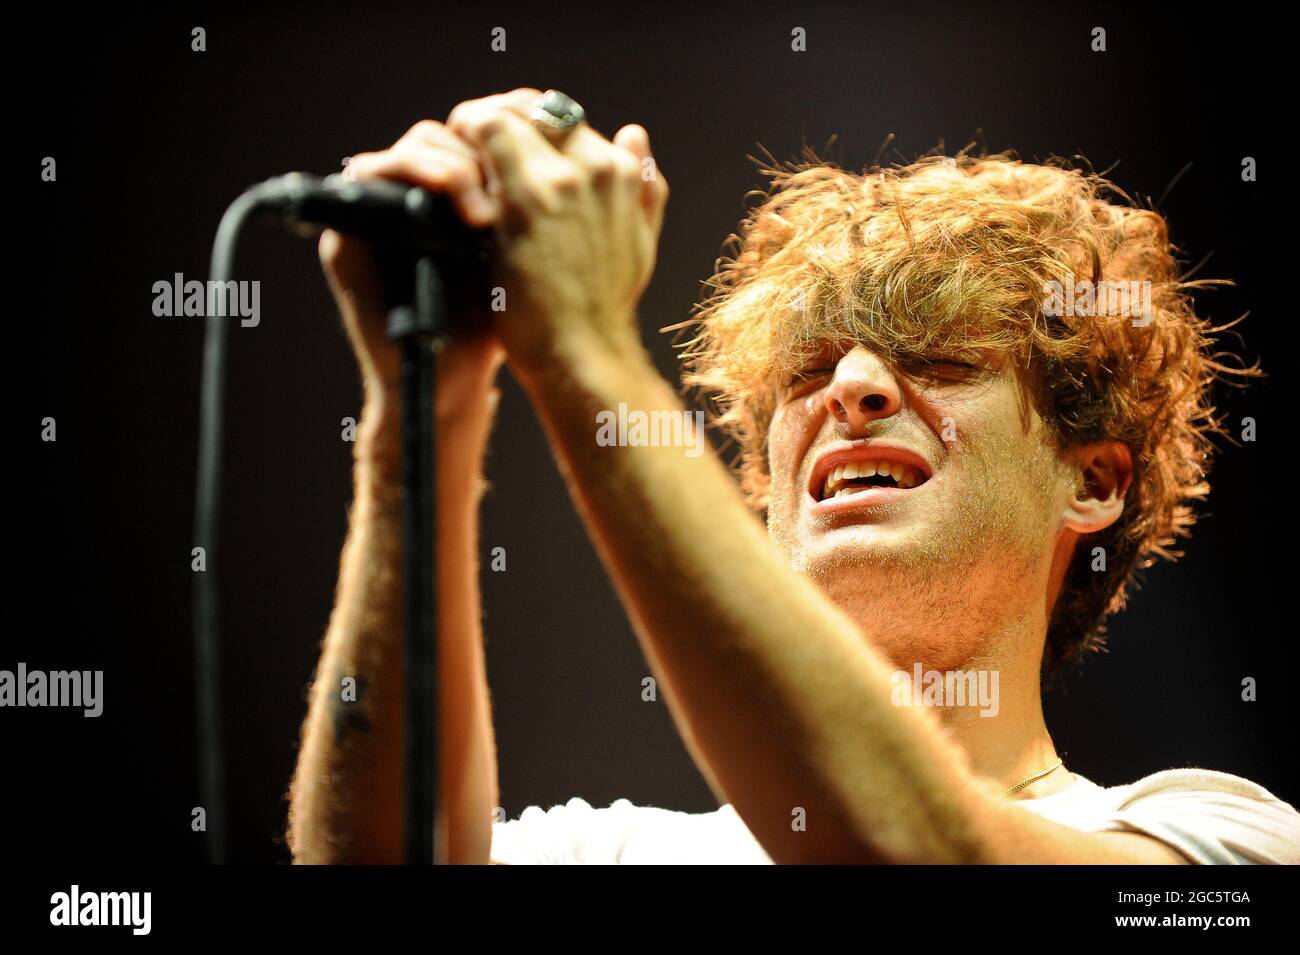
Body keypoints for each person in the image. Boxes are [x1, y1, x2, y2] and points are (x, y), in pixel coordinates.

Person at [285, 87, 1300, 864]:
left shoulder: (1216, 844)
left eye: (940, 359)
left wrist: (585, 343)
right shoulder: (618, 854)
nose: (851, 388)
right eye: (806, 374)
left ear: (1094, 482)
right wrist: (426, 398)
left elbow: (913, 853)